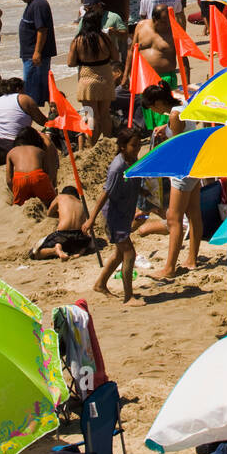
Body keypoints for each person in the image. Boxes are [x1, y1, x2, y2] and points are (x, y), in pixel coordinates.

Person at [140, 84, 204, 280]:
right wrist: (165, 129)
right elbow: (179, 132)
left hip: (181, 168)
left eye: (153, 107)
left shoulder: (174, 116)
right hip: (194, 164)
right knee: (193, 213)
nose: (154, 111)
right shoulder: (182, 104)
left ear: (158, 103)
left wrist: (165, 136)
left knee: (173, 219)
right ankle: (192, 259)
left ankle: (169, 268)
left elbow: (176, 144)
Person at [82, 128, 144, 307]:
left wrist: (143, 191)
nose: (137, 149)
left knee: (119, 254)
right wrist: (91, 218)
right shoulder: (118, 167)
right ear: (123, 147)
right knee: (129, 253)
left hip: (124, 214)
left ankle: (100, 284)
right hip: (114, 217)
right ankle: (128, 297)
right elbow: (105, 193)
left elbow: (131, 182)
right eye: (134, 146)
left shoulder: (132, 160)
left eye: (139, 145)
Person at [67, 5, 120, 147]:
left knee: (90, 115)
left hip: (87, 78)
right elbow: (116, 57)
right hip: (105, 77)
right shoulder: (105, 38)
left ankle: (91, 144)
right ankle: (109, 143)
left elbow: (70, 63)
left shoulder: (78, 41)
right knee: (104, 114)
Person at [11, 0, 57, 105]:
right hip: (31, 54)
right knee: (38, 87)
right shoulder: (33, 3)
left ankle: (33, 114)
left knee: (32, 89)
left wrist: (37, 52)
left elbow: (42, 30)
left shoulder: (38, 5)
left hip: (34, 56)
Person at [31, 186, 94, 260]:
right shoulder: (81, 202)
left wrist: (61, 214)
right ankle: (80, 252)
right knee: (85, 242)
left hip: (62, 234)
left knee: (34, 254)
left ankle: (55, 250)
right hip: (79, 236)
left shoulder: (60, 197)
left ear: (64, 193)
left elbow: (49, 214)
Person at [5, 130, 57, 207]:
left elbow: (9, 180)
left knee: (19, 205)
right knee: (51, 202)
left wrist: (15, 190)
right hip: (38, 175)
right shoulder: (39, 151)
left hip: (20, 178)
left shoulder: (11, 152)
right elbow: (48, 174)